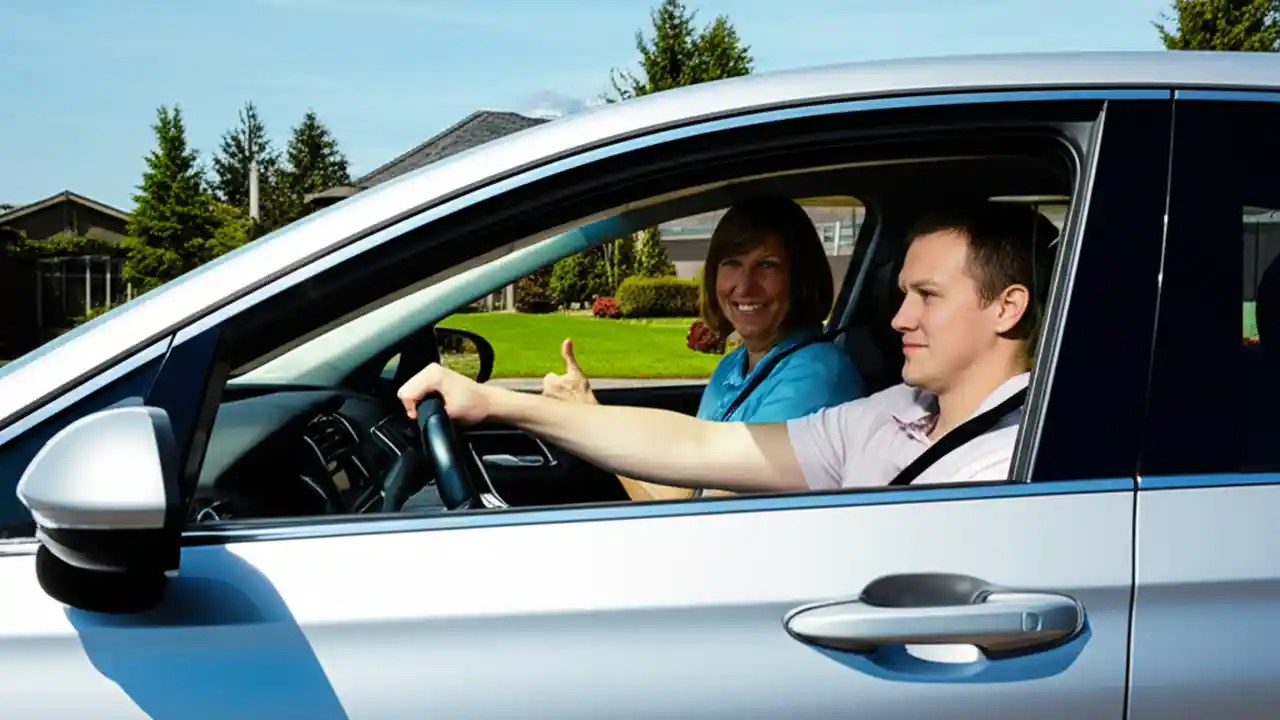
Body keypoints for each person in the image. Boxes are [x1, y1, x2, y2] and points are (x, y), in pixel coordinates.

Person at [398, 201, 1058, 495]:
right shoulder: (881, 416)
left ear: (1008, 306)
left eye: (927, 296)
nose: (898, 318)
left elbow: (700, 515)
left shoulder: (1026, 465)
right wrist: (495, 402)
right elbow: (697, 449)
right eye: (902, 292)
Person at [540, 196, 865, 501]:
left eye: (768, 265)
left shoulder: (817, 376)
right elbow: (685, 490)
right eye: (732, 263)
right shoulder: (733, 366)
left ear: (801, 277)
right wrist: (588, 413)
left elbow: (702, 514)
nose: (745, 286)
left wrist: (591, 422)